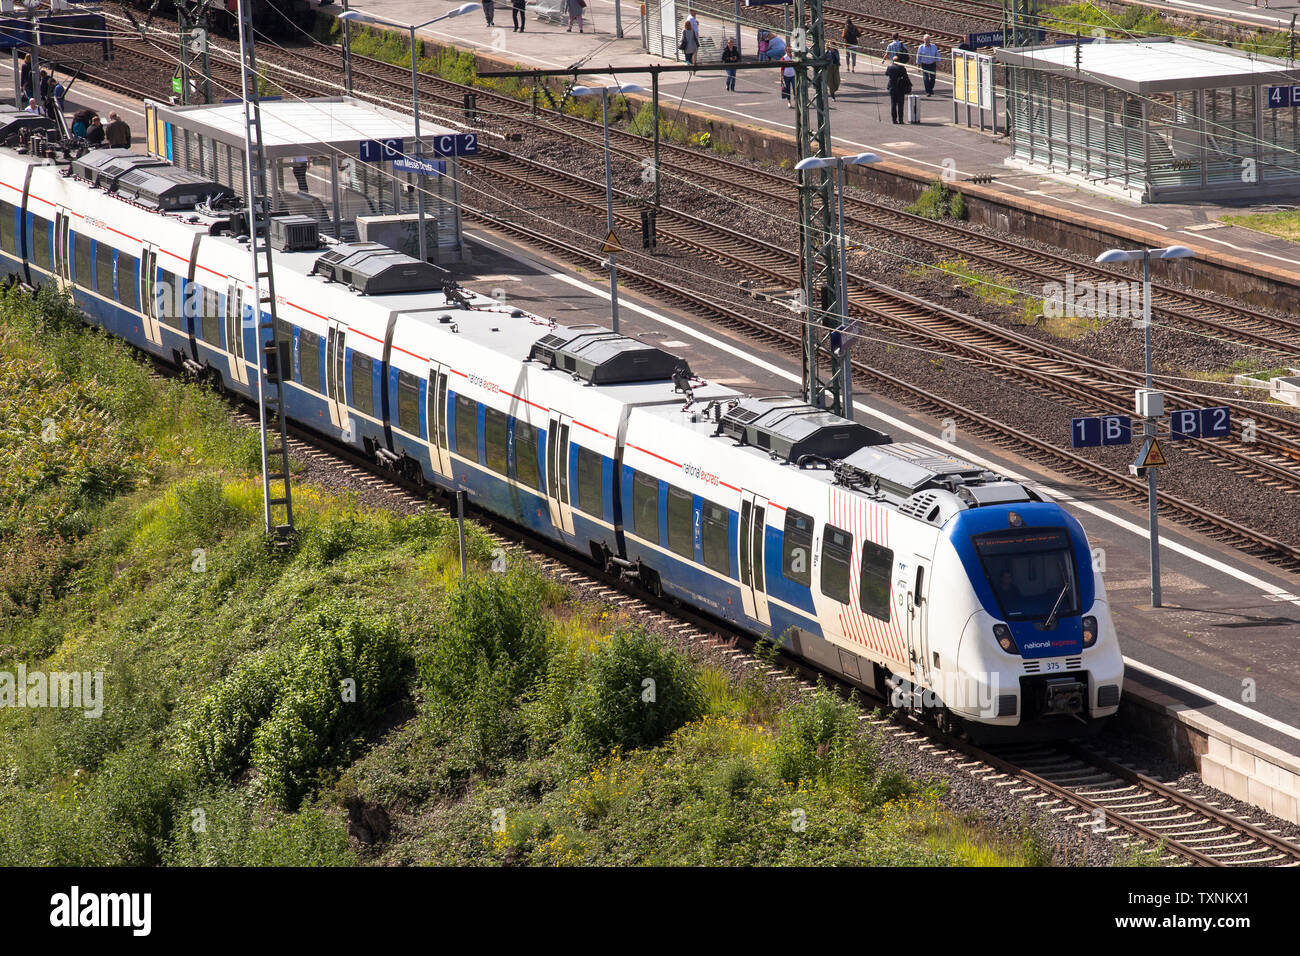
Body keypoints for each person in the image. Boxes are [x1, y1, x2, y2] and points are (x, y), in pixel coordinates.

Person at [885, 53, 911, 124]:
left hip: (892, 88)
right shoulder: (902, 68)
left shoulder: (890, 68)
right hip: (900, 88)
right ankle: (901, 120)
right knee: (900, 105)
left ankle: (894, 120)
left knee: (893, 104)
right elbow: (906, 77)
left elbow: (886, 73)